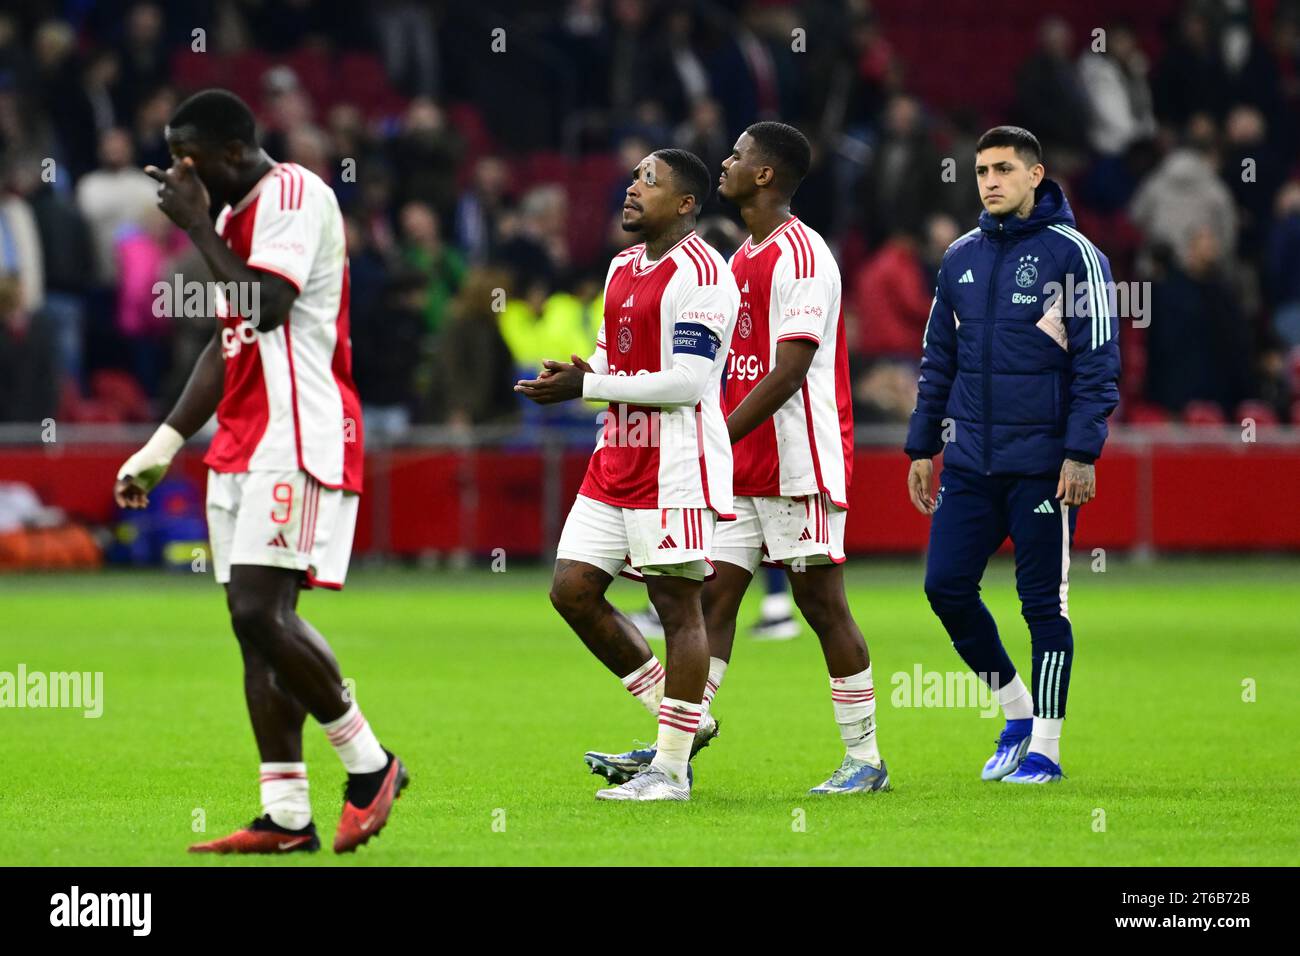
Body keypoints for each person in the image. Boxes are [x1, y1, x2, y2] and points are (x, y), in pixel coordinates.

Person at [112, 89, 407, 852]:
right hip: (241, 440)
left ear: (233, 153)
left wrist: (193, 225)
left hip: (299, 428)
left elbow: (268, 304)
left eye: (190, 157)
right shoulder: (236, 221)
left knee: (258, 611)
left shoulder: (294, 194)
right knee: (254, 636)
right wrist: (165, 443)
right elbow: (228, 340)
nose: (179, 171)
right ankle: (286, 814)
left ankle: (371, 765)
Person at [588, 122, 890, 795]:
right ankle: (676, 747)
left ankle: (865, 759)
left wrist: (711, 436)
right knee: (712, 600)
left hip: (798, 457)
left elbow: (787, 372)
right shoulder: (736, 259)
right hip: (739, 462)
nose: (723, 162)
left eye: (737, 155)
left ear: (764, 174)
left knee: (820, 604)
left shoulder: (805, 256)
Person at [515, 148, 738, 802]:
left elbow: (689, 381)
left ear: (687, 203)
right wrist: (581, 372)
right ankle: (686, 724)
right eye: (635, 177)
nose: (633, 189)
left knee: (677, 607)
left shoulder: (703, 274)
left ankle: (668, 771)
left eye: (651, 181)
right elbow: (618, 356)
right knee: (571, 592)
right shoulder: (619, 267)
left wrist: (591, 384)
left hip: (674, 464)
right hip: (615, 458)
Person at [904, 126, 1120, 784]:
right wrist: (921, 445)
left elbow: (1099, 363)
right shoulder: (960, 258)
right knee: (944, 588)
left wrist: (1081, 453)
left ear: (1036, 174)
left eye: (1003, 169)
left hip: (1043, 468)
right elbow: (938, 358)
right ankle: (1016, 712)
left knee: (1041, 607)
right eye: (981, 171)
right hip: (970, 462)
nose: (990, 181)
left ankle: (1048, 751)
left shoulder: (1077, 257)